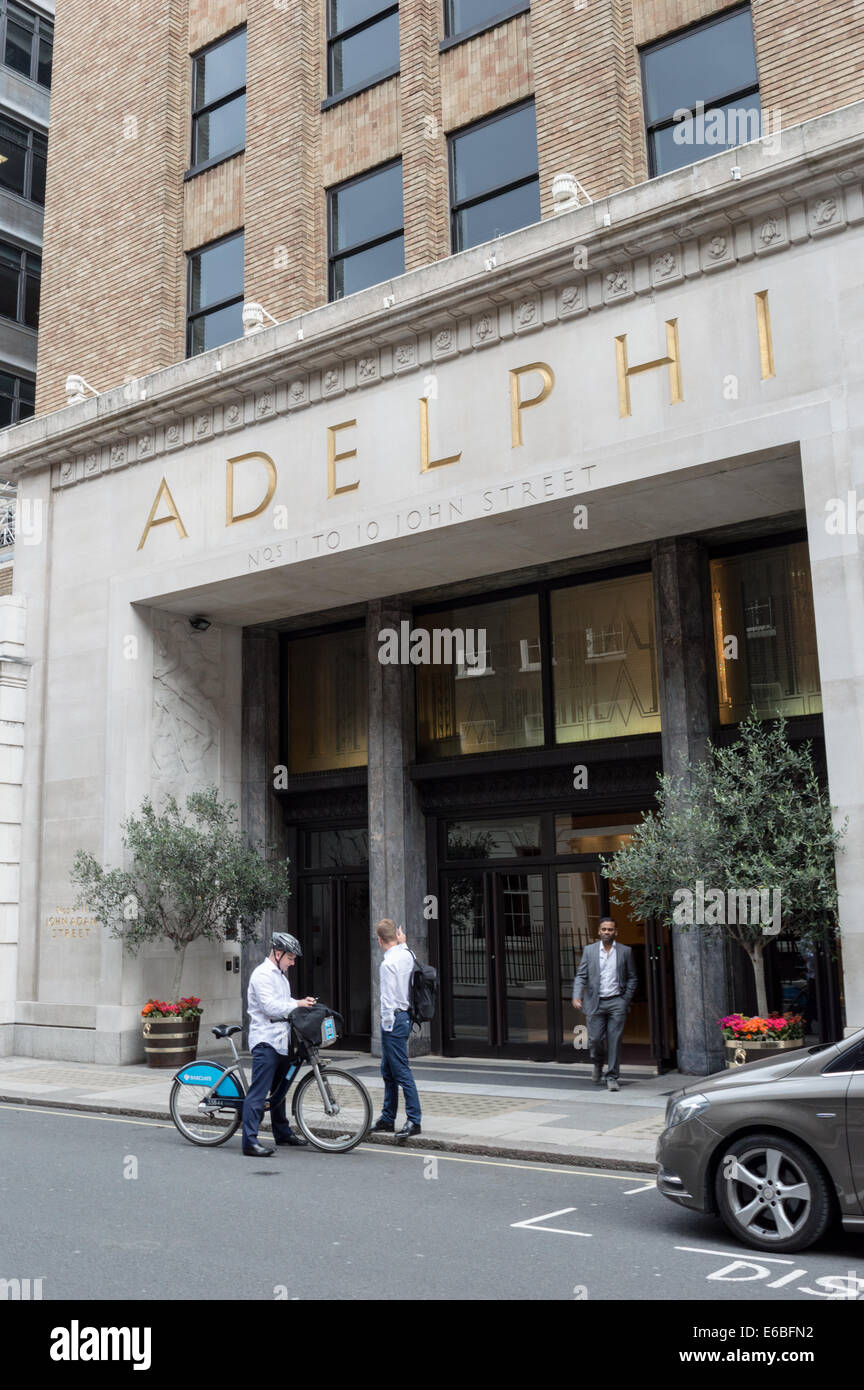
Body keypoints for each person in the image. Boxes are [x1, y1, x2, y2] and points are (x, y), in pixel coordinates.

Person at [241, 932, 317, 1157]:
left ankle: (282, 1133)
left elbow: (283, 1004)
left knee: (279, 1090)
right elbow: (270, 1007)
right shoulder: (262, 974)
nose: (292, 963)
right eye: (290, 958)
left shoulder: (281, 974)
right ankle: (249, 1141)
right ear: (277, 953)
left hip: (281, 1040)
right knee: (259, 1091)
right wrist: (297, 1004)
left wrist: (301, 1004)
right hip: (265, 1040)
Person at [369, 918, 422, 1139]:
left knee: (400, 1071)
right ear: (396, 936)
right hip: (406, 1016)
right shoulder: (407, 955)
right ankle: (387, 1118)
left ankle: (414, 1119)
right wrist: (404, 943)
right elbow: (407, 952)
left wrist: (386, 1024)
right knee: (388, 1071)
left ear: (379, 940)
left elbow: (387, 999)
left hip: (394, 1020)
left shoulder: (387, 964)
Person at [572, 917, 637, 1092]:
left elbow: (632, 977)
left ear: (616, 932)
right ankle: (597, 1063)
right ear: (598, 931)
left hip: (617, 1001)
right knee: (594, 1040)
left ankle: (612, 1077)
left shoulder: (625, 951)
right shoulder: (589, 951)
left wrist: (625, 1000)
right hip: (595, 1002)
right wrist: (577, 995)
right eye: (604, 929)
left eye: (610, 929)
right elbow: (581, 976)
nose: (607, 932)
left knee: (614, 1040)